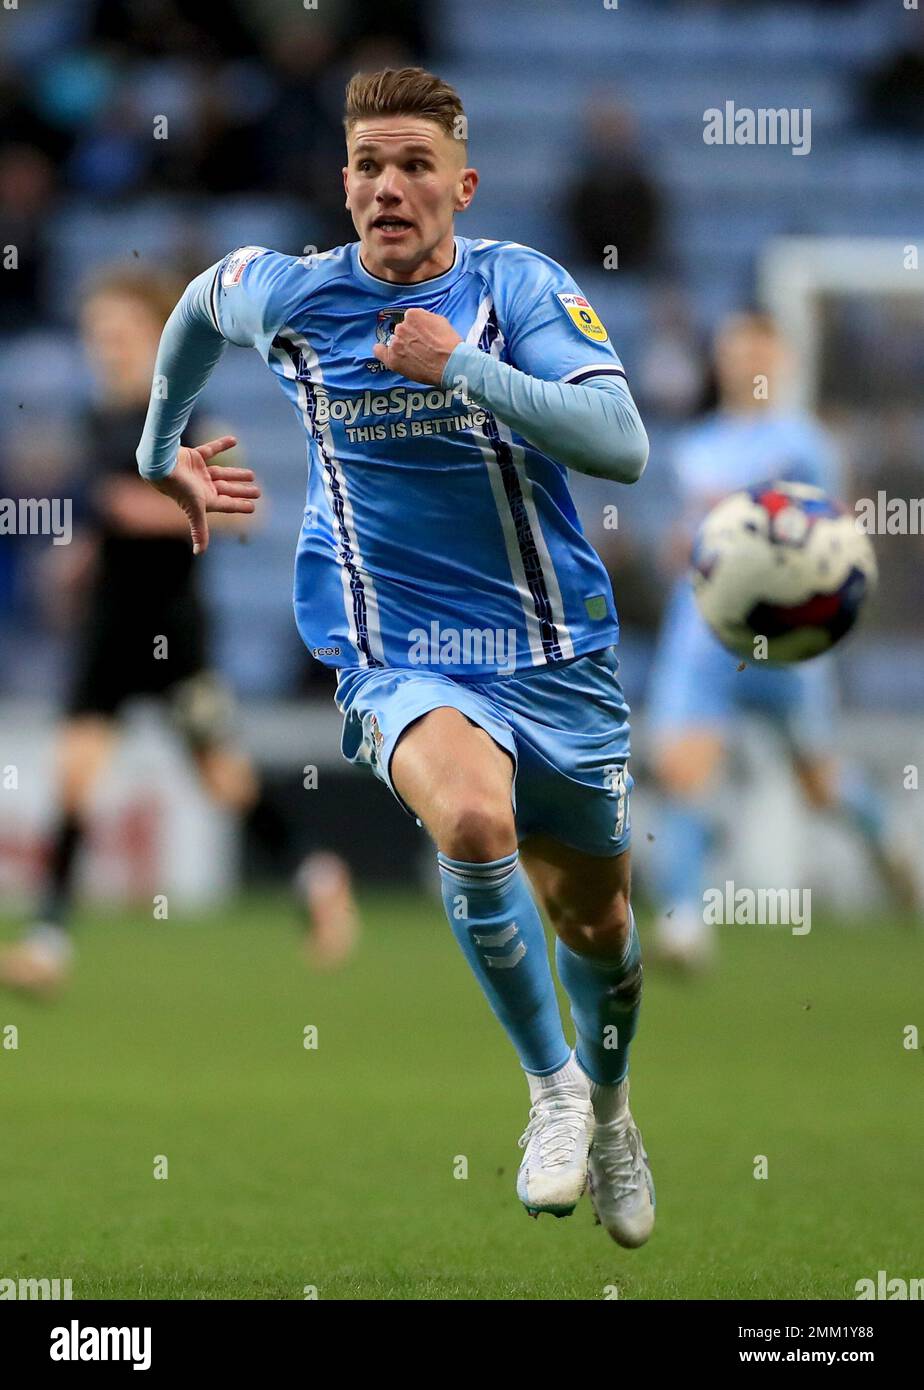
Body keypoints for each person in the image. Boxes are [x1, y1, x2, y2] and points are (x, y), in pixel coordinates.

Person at [134, 67, 654, 1246]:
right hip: (397, 650)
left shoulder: (517, 286)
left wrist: (461, 368)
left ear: (461, 186)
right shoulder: (298, 294)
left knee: (603, 931)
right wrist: (159, 446)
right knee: (473, 825)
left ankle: (614, 1108)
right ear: (345, 183)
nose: (389, 187)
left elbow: (620, 444)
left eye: (416, 165)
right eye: (368, 166)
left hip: (554, 652)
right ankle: (554, 1091)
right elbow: (199, 307)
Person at [0, 268, 357, 997]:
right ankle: (48, 941)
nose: (108, 346)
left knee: (222, 778)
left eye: (122, 332)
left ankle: (317, 878)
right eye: (99, 334)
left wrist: (152, 512)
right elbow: (109, 513)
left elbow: (244, 513)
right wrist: (82, 557)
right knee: (73, 774)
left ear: (155, 337)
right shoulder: (98, 421)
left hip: (173, 630)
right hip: (108, 626)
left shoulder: (185, 417)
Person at [646, 312, 916, 971]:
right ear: (721, 361)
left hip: (784, 638)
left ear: (783, 361)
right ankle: (685, 924)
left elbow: (836, 539)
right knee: (683, 771)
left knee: (818, 784)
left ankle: (890, 842)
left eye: (759, 350)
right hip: (704, 634)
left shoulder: (805, 445)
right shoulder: (695, 445)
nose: (746, 363)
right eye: (735, 350)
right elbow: (679, 544)